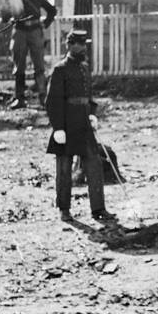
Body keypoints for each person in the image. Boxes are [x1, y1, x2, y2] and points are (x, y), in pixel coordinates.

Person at [45, 30, 112, 225]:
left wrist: (92, 113)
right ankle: (64, 209)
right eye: (79, 44)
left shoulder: (84, 68)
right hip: (66, 125)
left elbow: (89, 97)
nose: (83, 48)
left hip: (83, 124)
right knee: (64, 170)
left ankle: (98, 209)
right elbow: (52, 102)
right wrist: (58, 128)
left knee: (94, 165)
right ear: (69, 45)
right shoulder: (59, 69)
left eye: (84, 44)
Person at [9, 0, 55, 108]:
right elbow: (5, 14)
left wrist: (45, 23)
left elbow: (52, 11)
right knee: (19, 66)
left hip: (35, 32)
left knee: (39, 65)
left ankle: (43, 97)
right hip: (20, 32)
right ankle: (20, 98)